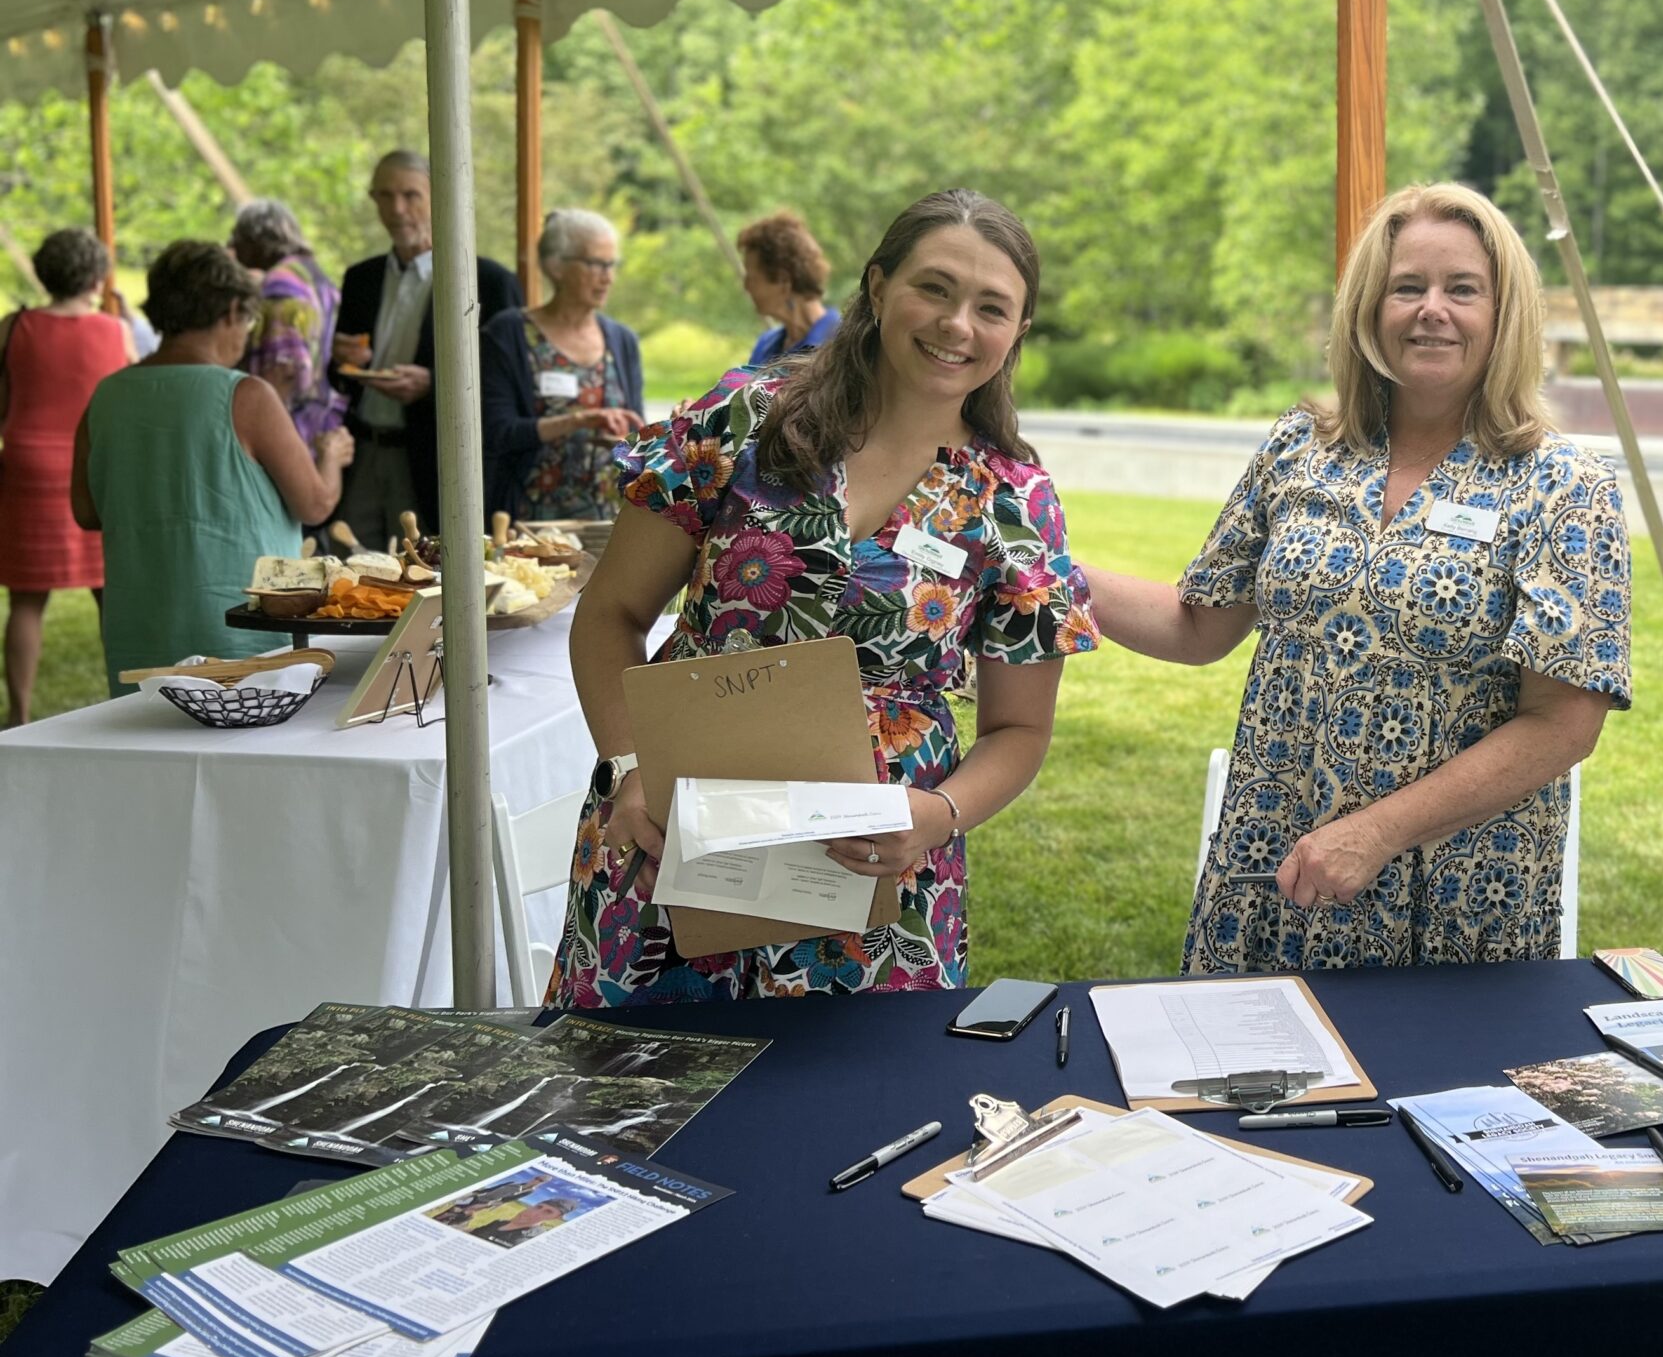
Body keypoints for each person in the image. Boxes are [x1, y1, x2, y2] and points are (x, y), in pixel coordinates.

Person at [547, 187, 1098, 1006]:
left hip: (874, 880)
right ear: (877, 289)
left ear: (1018, 331)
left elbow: (1020, 728)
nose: (956, 325)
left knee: (848, 1119)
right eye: (934, 288)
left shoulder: (1013, 500)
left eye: (992, 307)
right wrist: (632, 765)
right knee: (628, 1111)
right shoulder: (744, 420)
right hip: (667, 841)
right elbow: (611, 615)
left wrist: (938, 814)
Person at [1086, 182, 1633, 974]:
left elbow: (1563, 723)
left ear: (1505, 312)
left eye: (1463, 289)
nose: (1431, 309)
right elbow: (1197, 624)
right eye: (1406, 287)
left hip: (1455, 894)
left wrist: (1379, 832)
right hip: (1274, 863)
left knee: (1432, 1096)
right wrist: (1049, 573)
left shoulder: (1564, 486)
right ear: (1369, 307)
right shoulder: (1299, 449)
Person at [72, 242, 354, 680]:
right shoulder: (247, 395)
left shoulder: (106, 396)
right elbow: (315, 504)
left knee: (143, 744)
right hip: (241, 634)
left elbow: (87, 511)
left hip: (140, 631)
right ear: (232, 310)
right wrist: (331, 455)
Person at [331, 149, 524, 546]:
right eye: (384, 196)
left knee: (426, 573)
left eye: (410, 195)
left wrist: (434, 383)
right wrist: (342, 360)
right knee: (354, 573)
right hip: (363, 451)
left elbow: (507, 384)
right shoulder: (360, 278)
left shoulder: (486, 280)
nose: (396, 209)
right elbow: (337, 376)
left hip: (434, 457)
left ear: (439, 197)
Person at [0, 229, 133, 724]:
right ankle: (123, 701)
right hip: (95, 463)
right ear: (96, 275)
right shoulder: (114, 331)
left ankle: (18, 713)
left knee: (26, 602)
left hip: (27, 465)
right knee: (110, 596)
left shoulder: (14, 326)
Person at [481, 209, 645, 523]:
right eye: (597, 264)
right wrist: (579, 420)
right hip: (528, 522)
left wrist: (630, 435)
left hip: (608, 521)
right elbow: (496, 433)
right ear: (556, 266)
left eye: (612, 265)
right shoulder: (509, 333)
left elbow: (636, 430)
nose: (608, 277)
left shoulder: (622, 340)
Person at [230, 198, 345, 452]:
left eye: (237, 236)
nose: (232, 246)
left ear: (258, 239)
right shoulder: (313, 273)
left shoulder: (281, 285)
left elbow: (285, 368)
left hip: (293, 429)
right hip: (323, 418)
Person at [738, 212, 839, 366]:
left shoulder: (842, 344)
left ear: (784, 280)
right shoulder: (765, 346)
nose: (746, 287)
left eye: (752, 278)